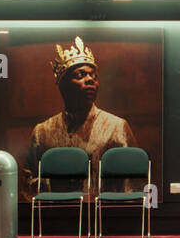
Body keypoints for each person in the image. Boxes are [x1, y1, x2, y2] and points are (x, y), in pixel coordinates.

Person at [24, 38, 138, 199]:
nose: (90, 79)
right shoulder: (42, 132)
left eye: (94, 76)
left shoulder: (117, 127)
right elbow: (28, 180)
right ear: (63, 85)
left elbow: (131, 183)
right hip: (54, 216)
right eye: (81, 75)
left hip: (104, 216)